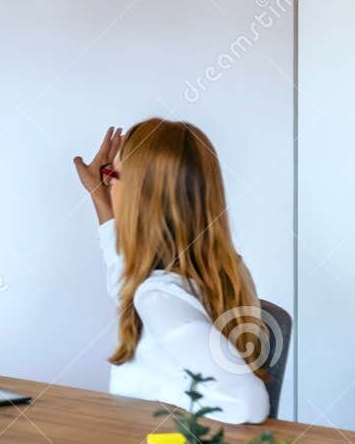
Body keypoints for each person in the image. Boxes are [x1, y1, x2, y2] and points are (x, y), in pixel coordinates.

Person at [73, 119, 270, 424]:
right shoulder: (218, 272)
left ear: (143, 195)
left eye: (113, 174)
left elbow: (249, 403)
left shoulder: (159, 298)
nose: (108, 182)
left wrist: (158, 394)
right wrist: (99, 198)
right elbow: (124, 281)